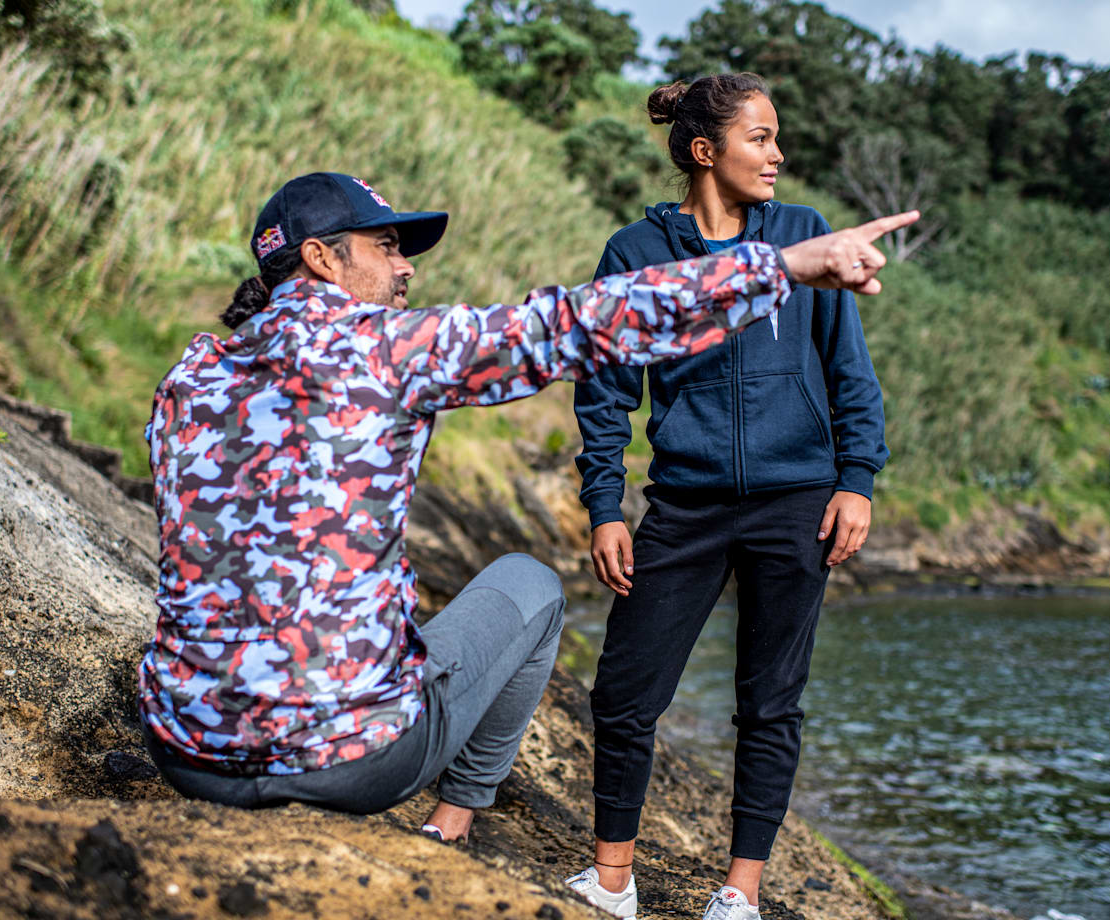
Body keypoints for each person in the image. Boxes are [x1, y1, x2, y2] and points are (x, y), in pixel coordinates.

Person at [136, 170, 916, 846]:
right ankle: (453, 822)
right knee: (533, 587)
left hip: (187, 754)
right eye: (387, 247)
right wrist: (782, 266)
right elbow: (579, 325)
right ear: (320, 258)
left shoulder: (188, 379)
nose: (406, 270)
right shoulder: (388, 351)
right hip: (349, 765)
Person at [566, 74, 893, 920]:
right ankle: (610, 881)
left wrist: (855, 478)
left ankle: (738, 902)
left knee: (770, 702)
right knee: (626, 694)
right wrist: (606, 503)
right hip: (686, 501)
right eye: (761, 138)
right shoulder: (636, 252)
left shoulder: (805, 235)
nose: (778, 155)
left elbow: (848, 369)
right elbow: (604, 392)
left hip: (798, 500)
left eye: (778, 138)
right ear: (706, 150)